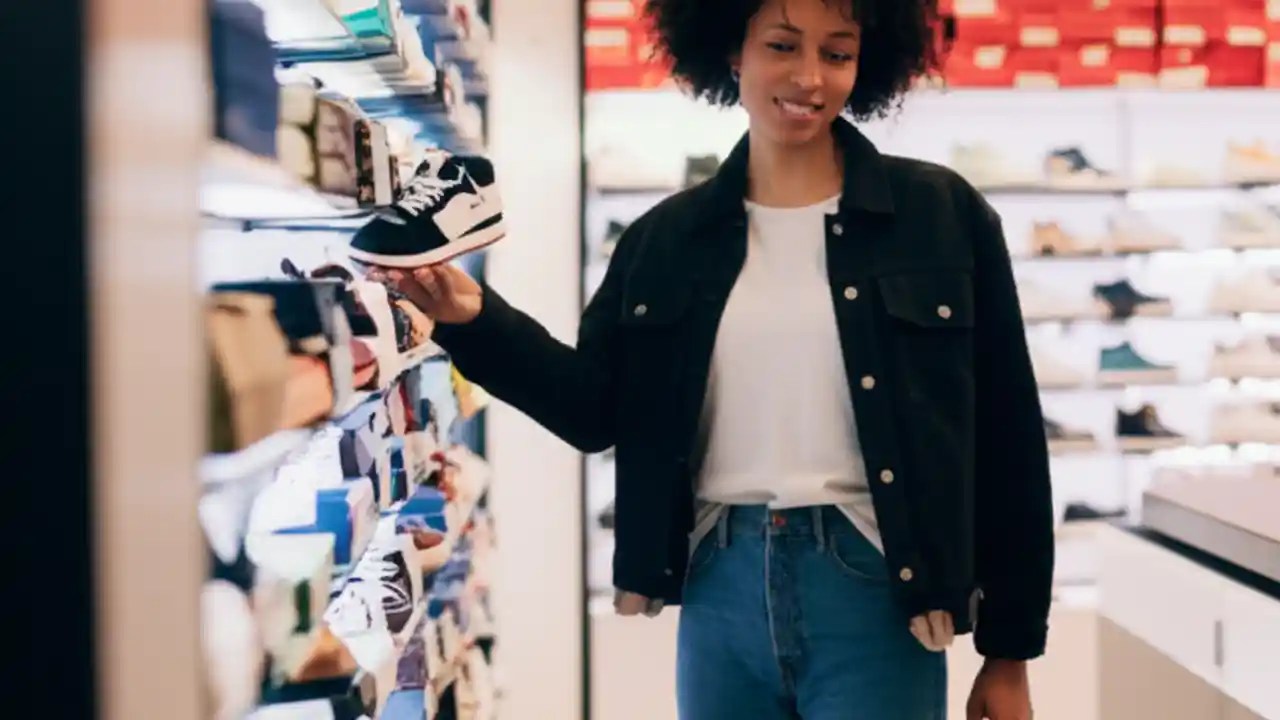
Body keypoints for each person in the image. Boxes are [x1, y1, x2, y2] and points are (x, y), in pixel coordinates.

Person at [373, 0, 1054, 717]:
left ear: (868, 61)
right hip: (720, 588)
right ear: (733, 50)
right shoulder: (665, 240)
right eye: (783, 46)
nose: (810, 77)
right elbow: (594, 409)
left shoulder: (941, 217)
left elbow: (1008, 439)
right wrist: (472, 317)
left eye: (838, 53)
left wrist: (1009, 653)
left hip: (878, 588)